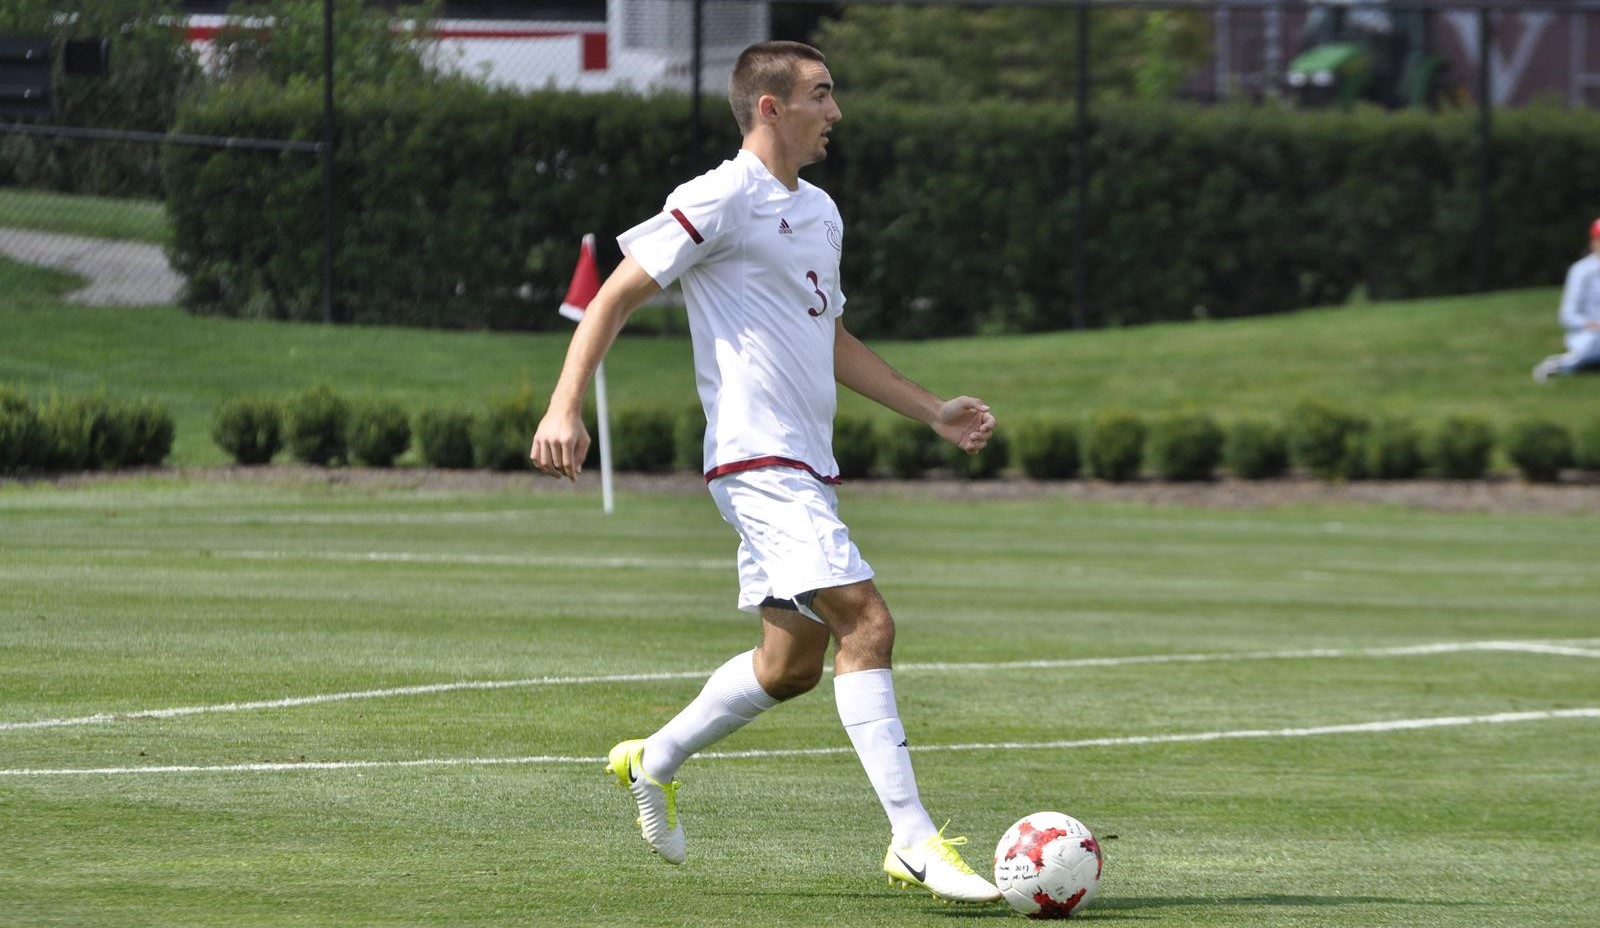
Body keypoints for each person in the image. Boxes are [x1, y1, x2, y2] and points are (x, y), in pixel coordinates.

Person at [529, 40, 1001, 904]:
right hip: (756, 462)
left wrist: (929, 410)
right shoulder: (719, 195)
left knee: (790, 666)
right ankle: (913, 841)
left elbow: (831, 339)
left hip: (805, 467)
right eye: (822, 94)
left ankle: (655, 757)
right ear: (771, 108)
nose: (838, 111)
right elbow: (615, 296)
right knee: (869, 625)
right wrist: (564, 407)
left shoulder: (820, 210)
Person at [1532, 218, 1600, 382]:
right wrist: (1590, 324)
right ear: (1593, 242)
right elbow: (1567, 315)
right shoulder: (1581, 271)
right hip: (1590, 335)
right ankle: (1557, 365)